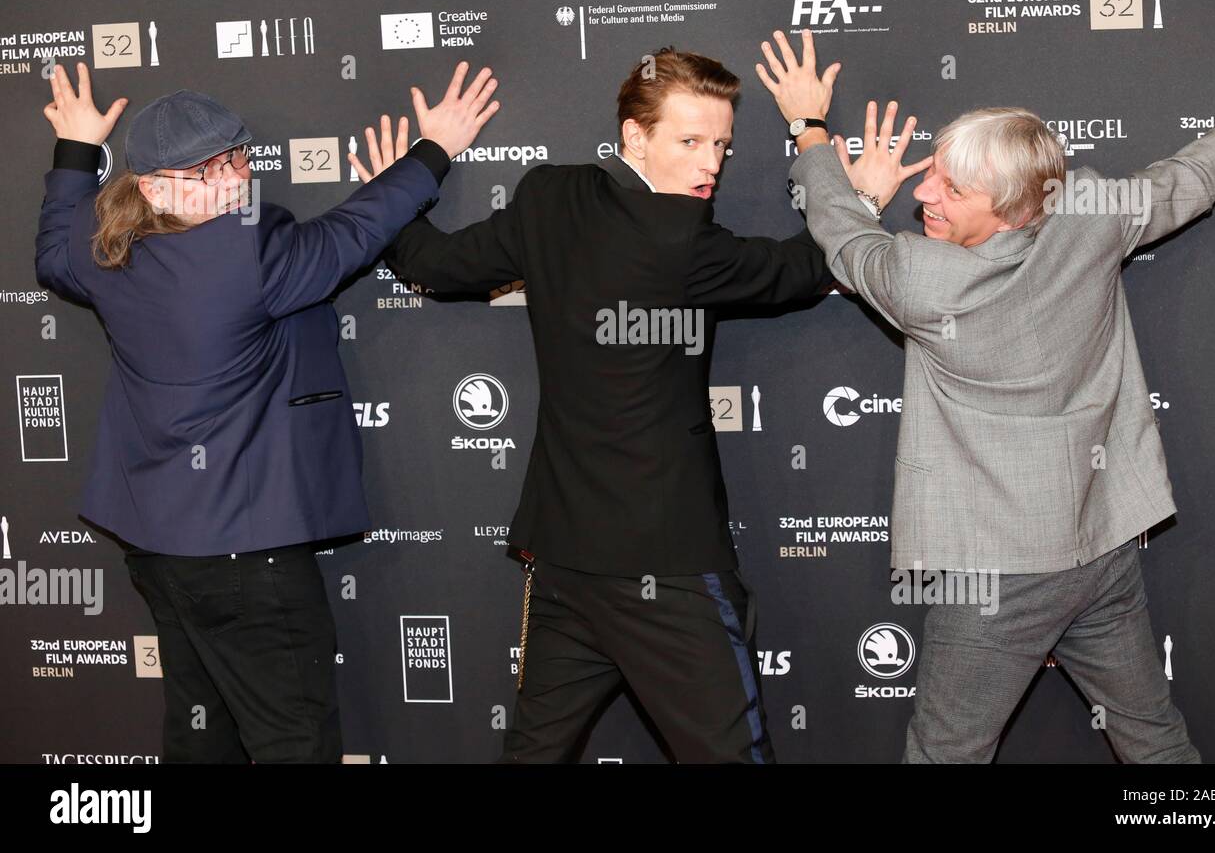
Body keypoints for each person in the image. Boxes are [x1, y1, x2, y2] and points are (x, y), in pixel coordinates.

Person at [759, 23, 1215, 762]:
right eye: (933, 172)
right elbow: (1192, 177)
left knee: (946, 754)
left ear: (1012, 209)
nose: (924, 191)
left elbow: (843, 232)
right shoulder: (1089, 216)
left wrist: (811, 129)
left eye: (951, 187)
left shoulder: (920, 277)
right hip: (1100, 546)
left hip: (995, 574)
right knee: (1152, 738)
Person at [371, 46, 834, 762]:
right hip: (668, 565)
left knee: (533, 754)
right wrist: (825, 152)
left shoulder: (547, 198)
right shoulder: (685, 239)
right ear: (634, 137)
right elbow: (803, 269)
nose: (710, 162)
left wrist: (412, 168)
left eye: (721, 144)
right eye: (690, 141)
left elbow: (431, 263)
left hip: (564, 556)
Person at [35, 59, 499, 762]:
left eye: (237, 159)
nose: (236, 181)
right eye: (209, 172)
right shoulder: (243, 254)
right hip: (245, 558)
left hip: (160, 550)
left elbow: (50, 251)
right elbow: (352, 233)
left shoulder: (103, 250)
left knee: (201, 733)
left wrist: (75, 149)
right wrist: (433, 151)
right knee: (295, 739)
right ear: (156, 188)